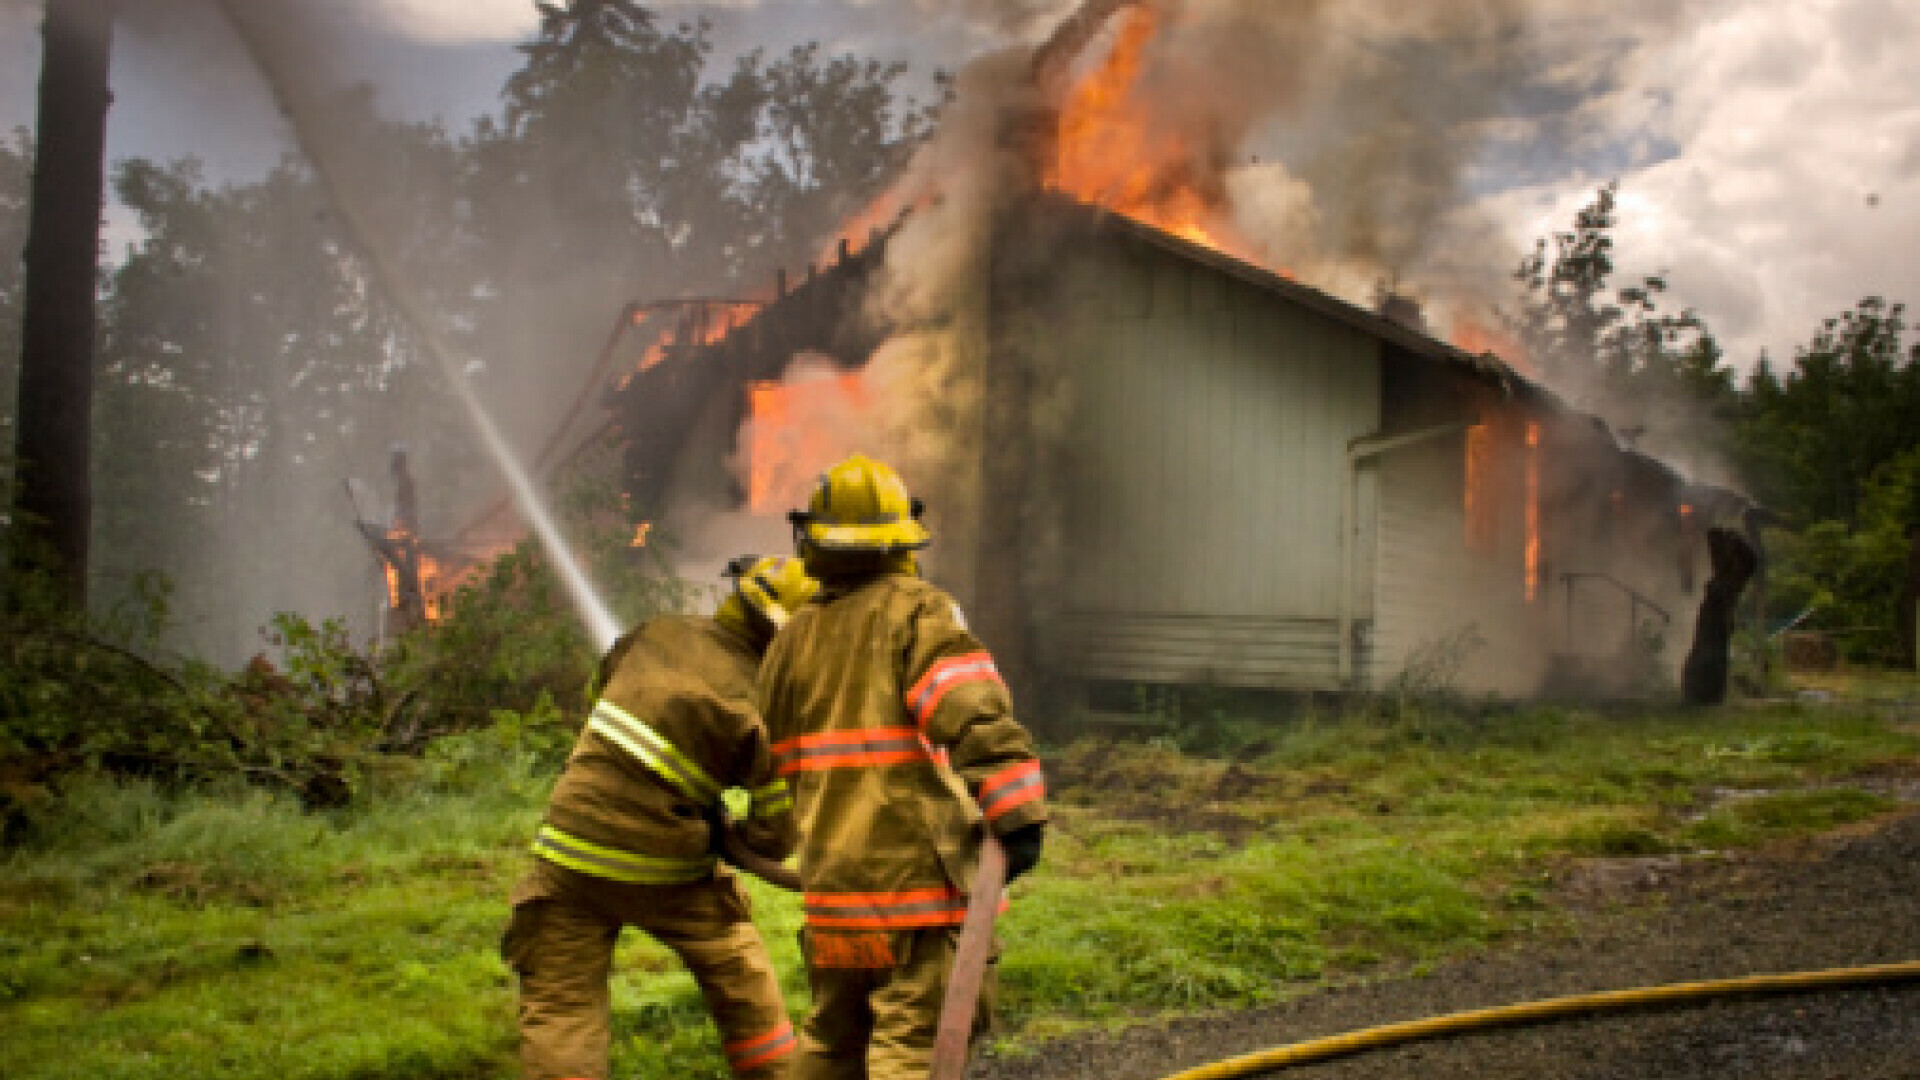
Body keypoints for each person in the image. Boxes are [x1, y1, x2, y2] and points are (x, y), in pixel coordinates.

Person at [758, 453, 1049, 1080]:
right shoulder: (917, 611)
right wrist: (1018, 810)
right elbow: (970, 708)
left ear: (814, 540)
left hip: (833, 895)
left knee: (834, 1041)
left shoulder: (790, 640)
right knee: (911, 1044)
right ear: (900, 539)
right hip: (917, 889)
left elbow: (776, 768)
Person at [501, 556, 818, 1080]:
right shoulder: (768, 701)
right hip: (667, 868)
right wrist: (737, 835)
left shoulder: (657, 634)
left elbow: (601, 694)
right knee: (738, 971)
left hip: (569, 847)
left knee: (562, 1001)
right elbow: (776, 830)